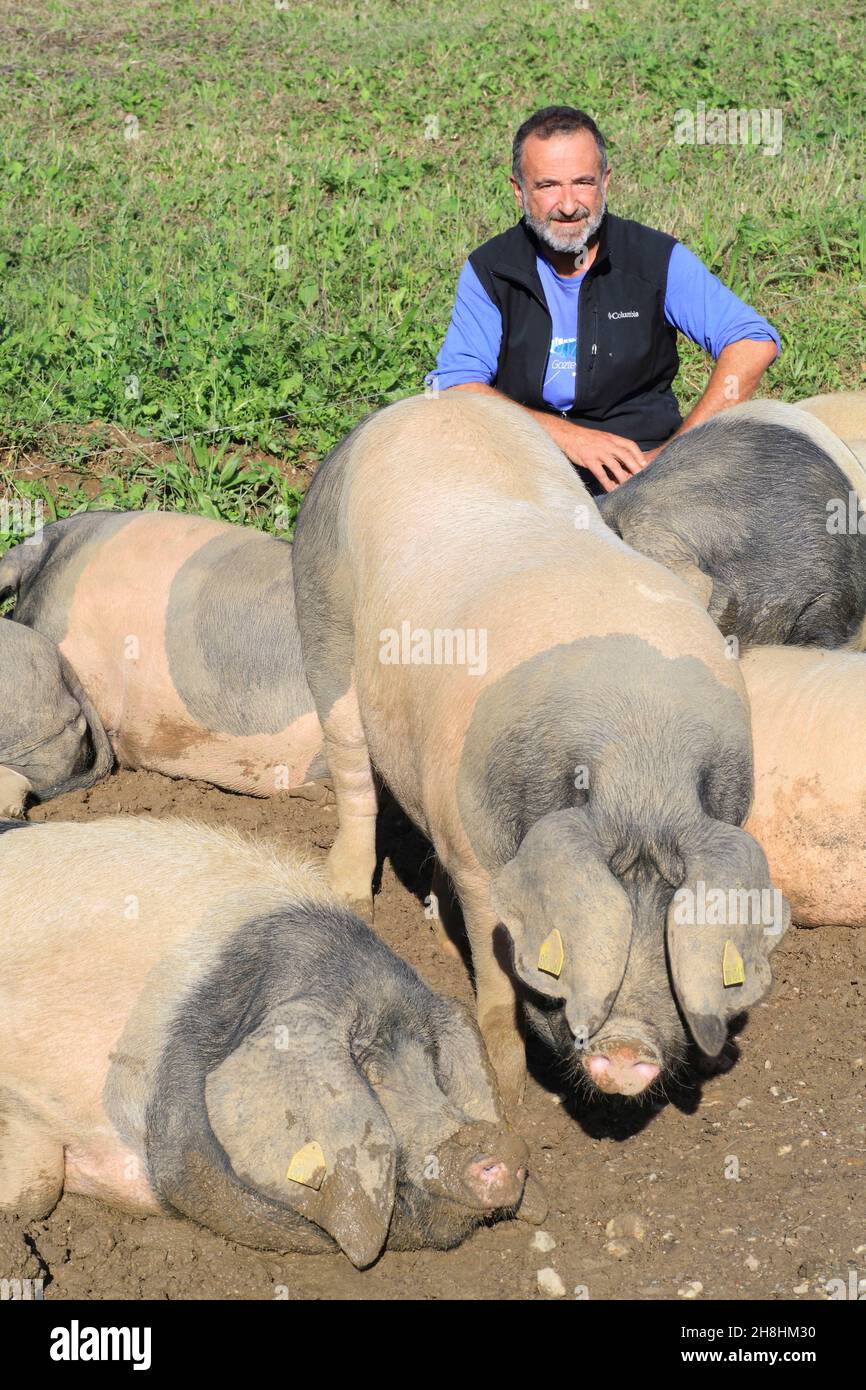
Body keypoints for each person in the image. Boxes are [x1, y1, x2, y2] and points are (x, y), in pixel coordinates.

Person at [425, 105, 781, 494]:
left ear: (605, 182)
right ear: (519, 190)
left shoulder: (654, 258)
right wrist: (571, 438)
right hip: (524, 465)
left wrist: (675, 455)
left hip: (642, 468)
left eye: (583, 182)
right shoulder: (491, 270)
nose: (567, 204)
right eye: (547, 186)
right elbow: (457, 385)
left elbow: (752, 342)